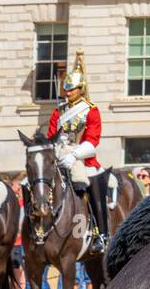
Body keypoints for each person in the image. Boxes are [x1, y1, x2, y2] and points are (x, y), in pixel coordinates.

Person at [46, 50, 111, 252]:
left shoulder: (91, 110)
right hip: (61, 156)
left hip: (83, 158)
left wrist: (74, 155)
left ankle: (101, 233)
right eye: (66, 88)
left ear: (80, 89)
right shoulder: (59, 111)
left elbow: (93, 140)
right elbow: (50, 136)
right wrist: (58, 150)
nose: (68, 92)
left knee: (91, 185)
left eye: (72, 88)